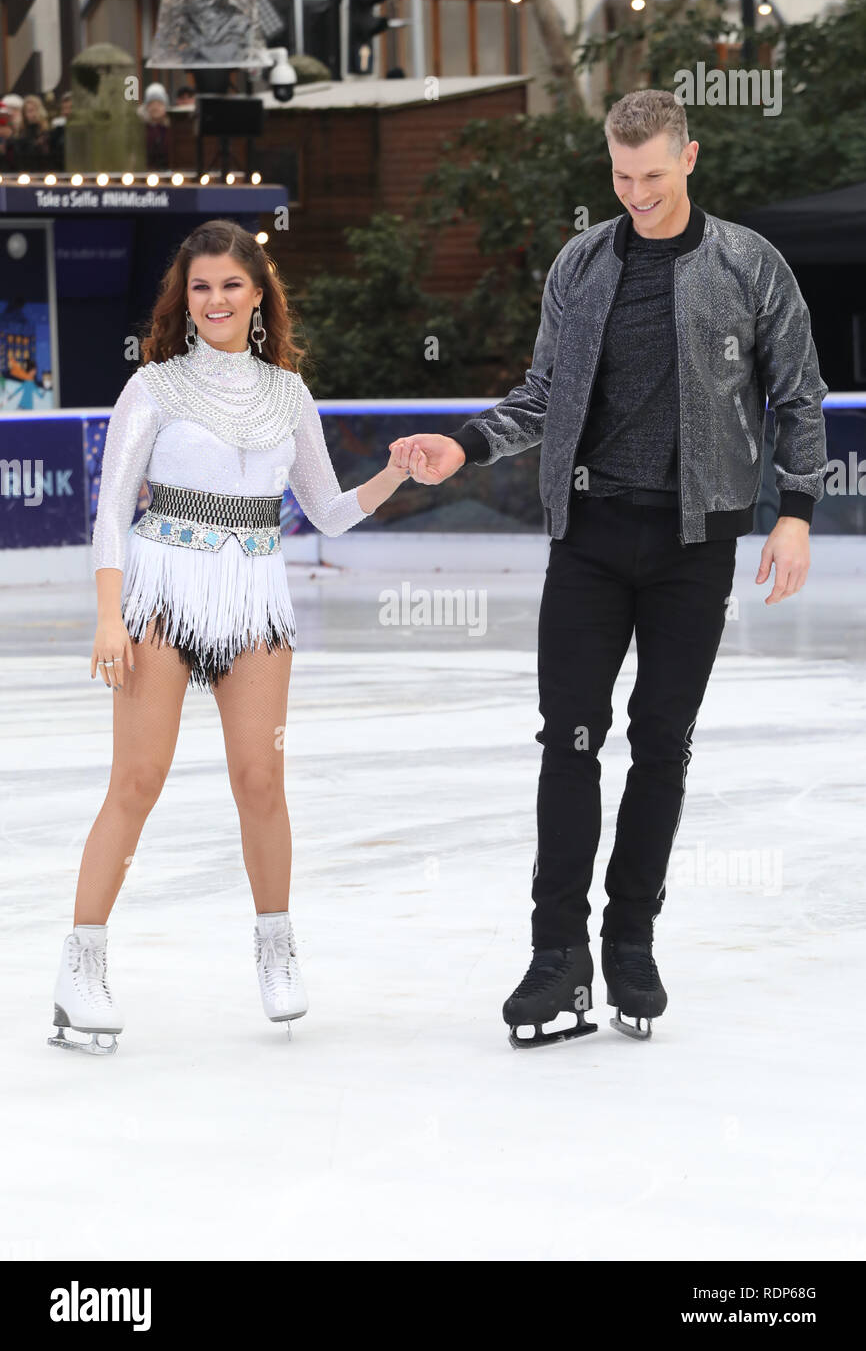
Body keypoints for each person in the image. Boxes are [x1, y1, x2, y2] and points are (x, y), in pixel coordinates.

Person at [390, 88, 828, 1049]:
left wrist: (793, 516)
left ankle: (632, 940)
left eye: (653, 177)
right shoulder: (582, 265)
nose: (635, 194)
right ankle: (558, 953)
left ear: (691, 158)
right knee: (570, 742)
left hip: (694, 541)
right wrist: (467, 444)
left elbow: (798, 394)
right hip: (587, 536)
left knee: (661, 741)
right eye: (621, 177)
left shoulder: (750, 264)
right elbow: (544, 391)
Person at [48, 218, 425, 1056]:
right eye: (200, 287)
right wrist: (110, 613)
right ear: (184, 301)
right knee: (137, 780)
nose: (215, 300)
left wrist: (395, 472)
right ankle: (81, 968)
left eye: (230, 285)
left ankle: (277, 947)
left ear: (258, 294)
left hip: (255, 595)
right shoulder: (153, 387)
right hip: (160, 593)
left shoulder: (289, 395)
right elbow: (112, 511)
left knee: (261, 780)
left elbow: (326, 511)